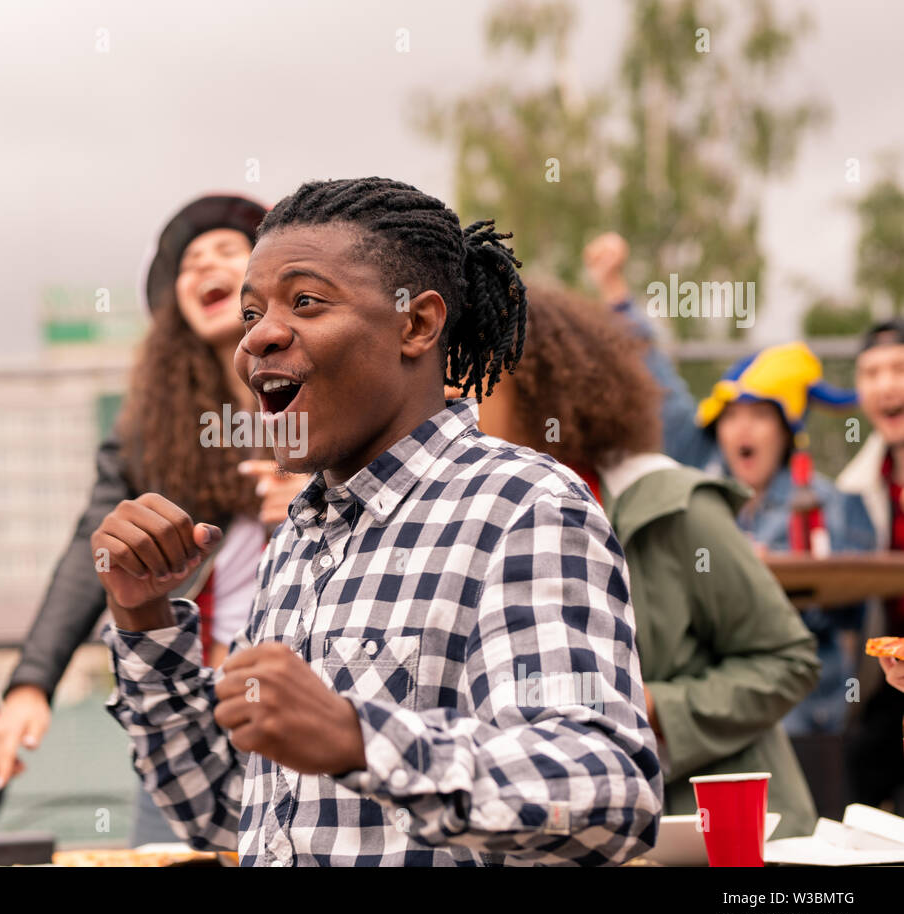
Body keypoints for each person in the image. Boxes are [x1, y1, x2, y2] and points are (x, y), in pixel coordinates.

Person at [94, 177, 663, 866]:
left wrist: (360, 739)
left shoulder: (524, 506)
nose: (261, 337)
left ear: (416, 324)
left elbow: (606, 794)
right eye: (251, 314)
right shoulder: (299, 539)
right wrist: (146, 620)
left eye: (305, 301)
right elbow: (225, 811)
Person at [0, 194, 306, 846]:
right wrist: (31, 684)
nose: (204, 266)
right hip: (189, 705)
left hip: (304, 704)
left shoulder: (335, 405)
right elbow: (90, 551)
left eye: (226, 252)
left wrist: (309, 500)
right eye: (188, 262)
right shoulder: (150, 432)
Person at [472, 283, 820, 838]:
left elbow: (789, 660)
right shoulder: (482, 514)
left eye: (480, 372)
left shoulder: (674, 505)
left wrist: (656, 708)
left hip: (723, 838)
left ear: (543, 388)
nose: (458, 390)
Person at [584, 233, 877, 737]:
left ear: (785, 435)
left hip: (810, 720)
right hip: (713, 719)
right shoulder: (696, 474)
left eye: (759, 416)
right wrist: (614, 291)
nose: (742, 430)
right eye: (731, 416)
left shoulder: (830, 503)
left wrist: (774, 583)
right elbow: (660, 381)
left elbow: (855, 616)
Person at [837, 317, 904, 810]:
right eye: (870, 372)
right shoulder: (856, 485)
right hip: (890, 667)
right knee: (860, 761)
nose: (885, 385)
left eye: (898, 368)